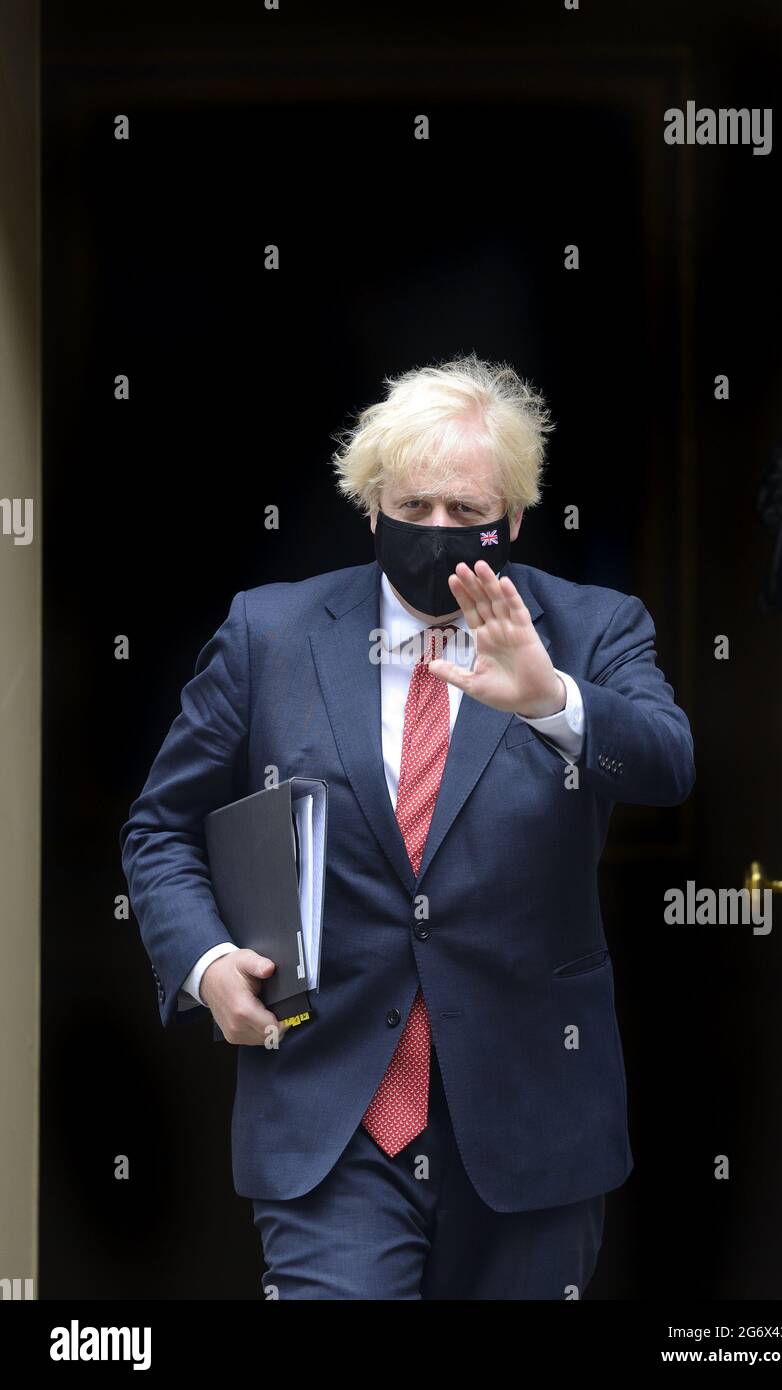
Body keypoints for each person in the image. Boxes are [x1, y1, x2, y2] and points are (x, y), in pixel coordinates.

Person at [119, 353, 695, 1299]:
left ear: (512, 519)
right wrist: (206, 962)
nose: (437, 532)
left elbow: (669, 765)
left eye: (466, 514)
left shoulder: (590, 628)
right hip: (332, 1112)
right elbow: (160, 829)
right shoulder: (270, 635)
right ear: (371, 505)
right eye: (413, 507)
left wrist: (553, 698)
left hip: (527, 1121)